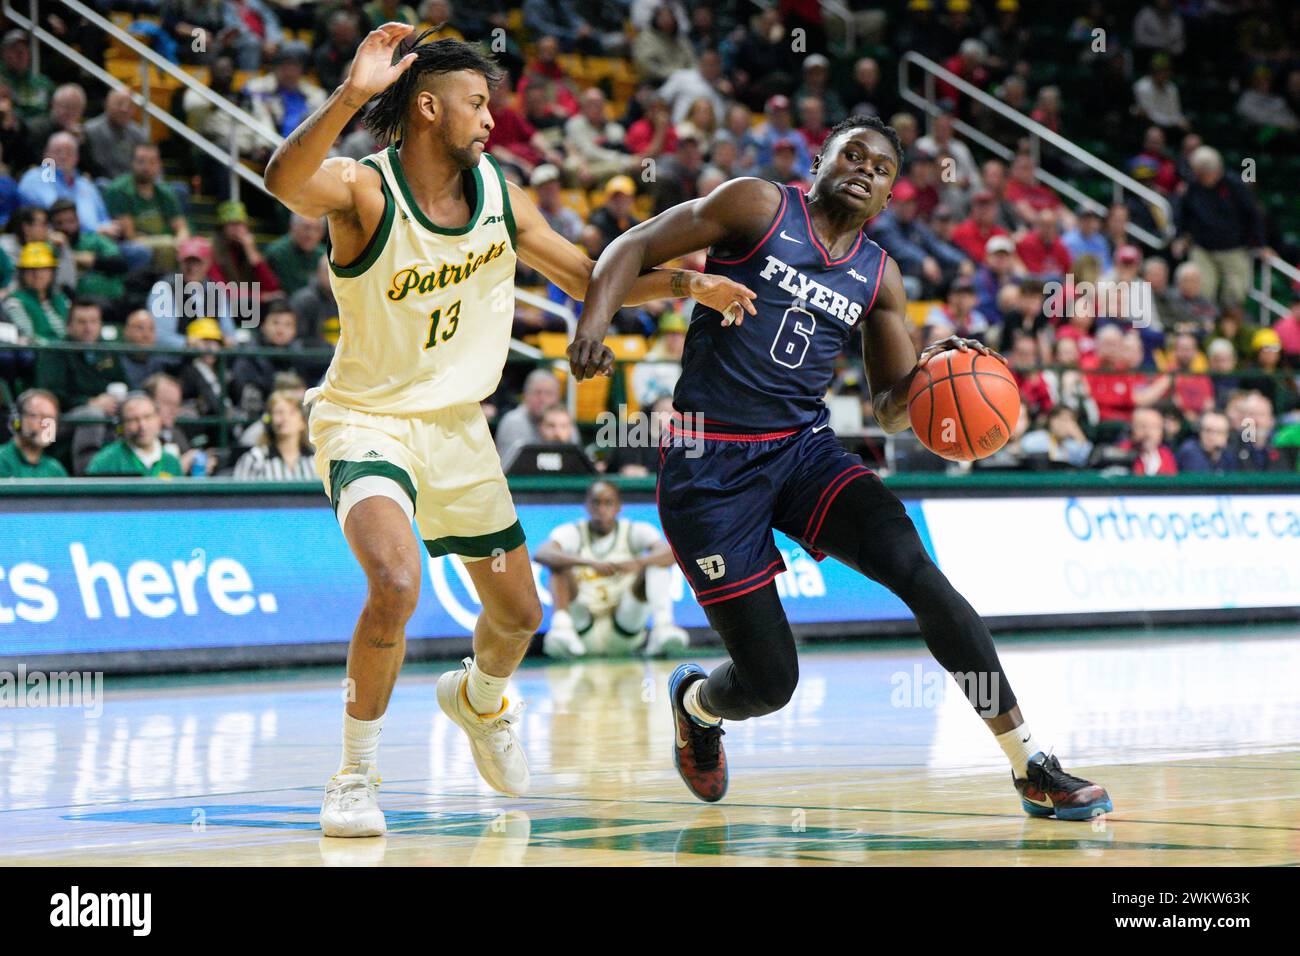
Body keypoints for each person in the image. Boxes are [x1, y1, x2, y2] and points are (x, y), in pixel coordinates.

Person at [262, 27, 755, 837]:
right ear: (428, 108)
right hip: (366, 421)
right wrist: (351, 95)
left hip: (459, 429)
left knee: (523, 616)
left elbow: (589, 276)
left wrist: (688, 285)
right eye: (477, 103)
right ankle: (354, 775)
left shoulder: (498, 193)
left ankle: (478, 700)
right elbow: (282, 180)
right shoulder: (363, 189)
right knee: (394, 582)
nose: (492, 118)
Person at [570, 113, 1112, 818]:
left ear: (889, 197)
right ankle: (698, 705)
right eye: (851, 155)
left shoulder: (880, 278)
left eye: (881, 168)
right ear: (819, 159)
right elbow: (631, 245)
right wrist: (590, 327)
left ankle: (1029, 763)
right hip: (710, 471)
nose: (864, 169)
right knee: (770, 683)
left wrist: (935, 376)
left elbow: (889, 408)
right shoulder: (755, 206)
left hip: (804, 452)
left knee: (921, 576)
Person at [535, 480, 688, 658]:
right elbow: (542, 553)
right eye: (596, 503)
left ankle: (663, 627)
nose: (602, 510)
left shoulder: (634, 531)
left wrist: (638, 562)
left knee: (656, 564)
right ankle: (561, 628)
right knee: (558, 563)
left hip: (625, 626)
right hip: (582, 629)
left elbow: (671, 553)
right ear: (587, 506)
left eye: (608, 503)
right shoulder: (573, 532)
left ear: (618, 507)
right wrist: (588, 563)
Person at [85, 392, 184, 477]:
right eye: (133, 420)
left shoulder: (172, 462)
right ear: (122, 425)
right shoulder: (106, 461)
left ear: (159, 419)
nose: (142, 426)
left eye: (148, 417)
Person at [233, 388, 317, 479]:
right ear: (269, 422)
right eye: (279, 412)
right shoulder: (254, 459)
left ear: (303, 422)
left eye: (291, 412)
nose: (285, 418)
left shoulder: (316, 459)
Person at [0, 388, 67, 477]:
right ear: (17, 421)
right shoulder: (2, 460)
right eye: (37, 416)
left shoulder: (55, 469)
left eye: (51, 419)